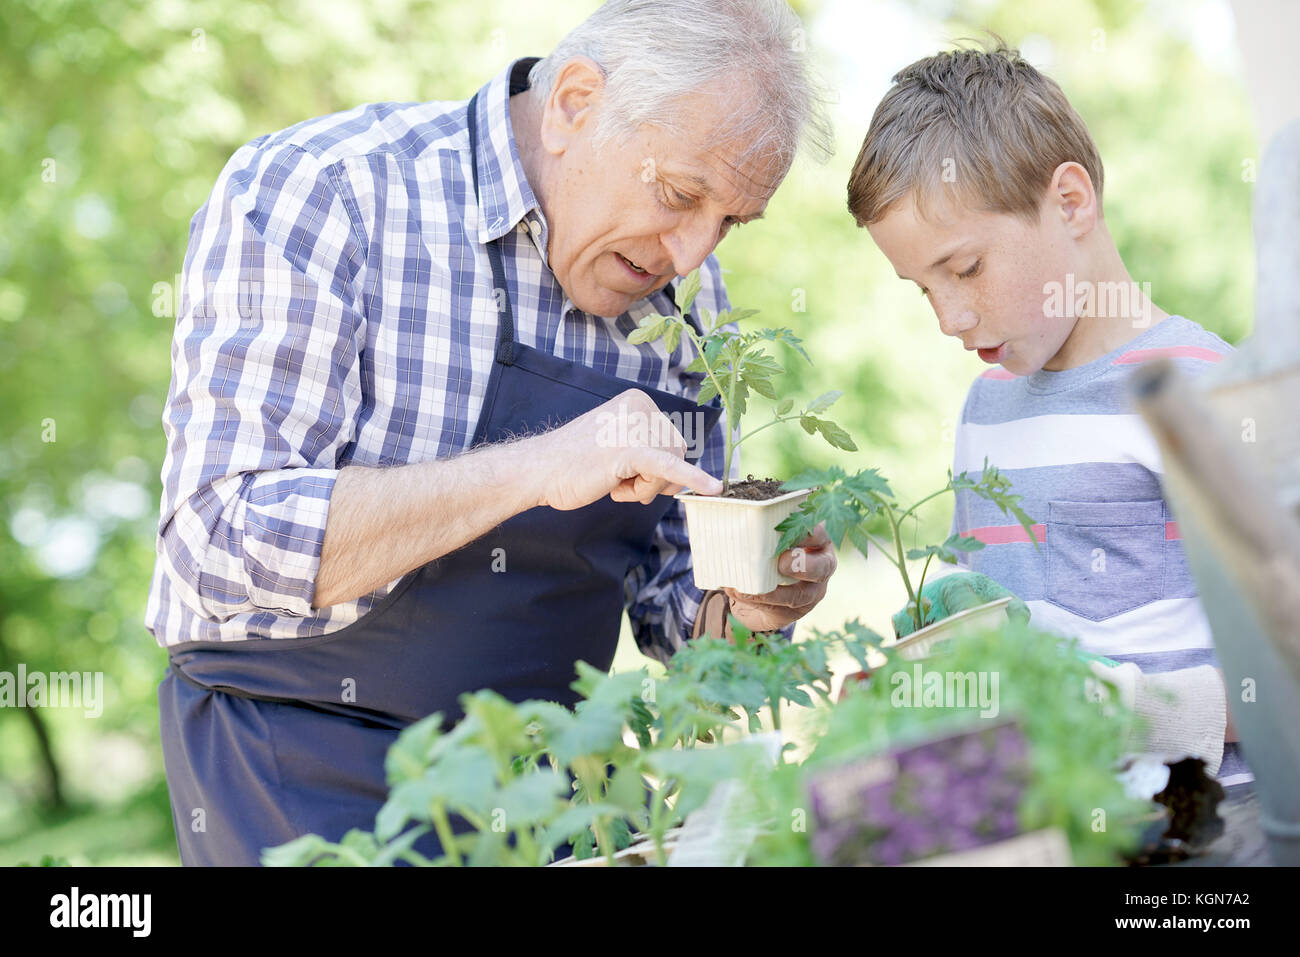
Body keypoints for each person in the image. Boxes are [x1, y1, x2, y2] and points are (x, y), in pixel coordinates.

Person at [147, 0, 839, 866]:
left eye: (730, 221)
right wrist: (539, 466)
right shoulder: (325, 192)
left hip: (546, 790)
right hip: (300, 763)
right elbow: (216, 542)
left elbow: (671, 599)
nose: (694, 253)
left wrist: (746, 603)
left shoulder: (690, 304)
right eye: (679, 194)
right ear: (574, 104)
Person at [846, 43, 1251, 788]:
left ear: (1070, 202)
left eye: (965, 268)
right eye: (922, 288)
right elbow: (997, 639)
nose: (949, 317)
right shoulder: (986, 404)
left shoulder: (1201, 391)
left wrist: (1110, 707)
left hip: (1201, 832)